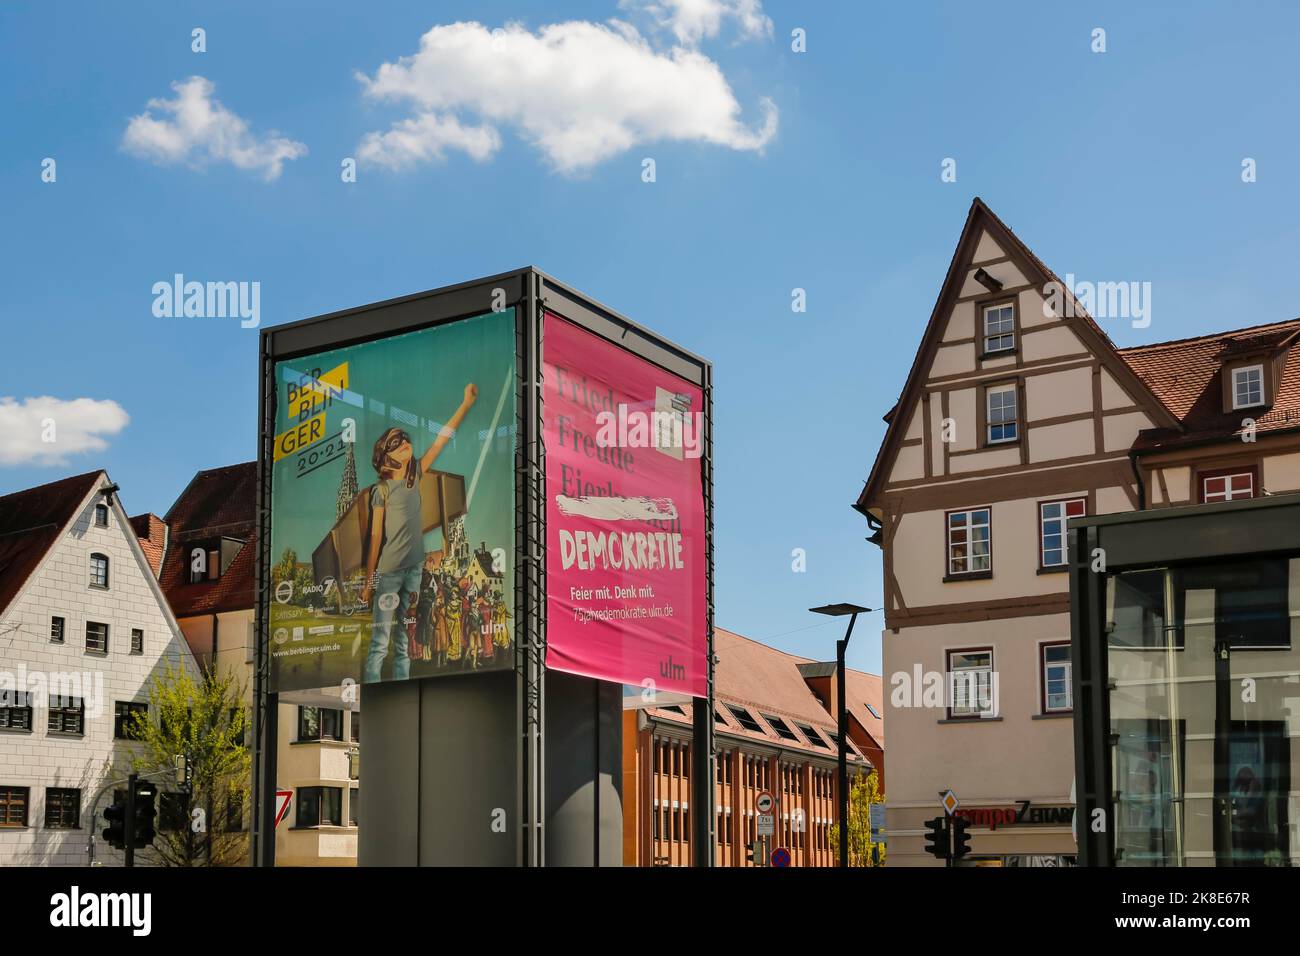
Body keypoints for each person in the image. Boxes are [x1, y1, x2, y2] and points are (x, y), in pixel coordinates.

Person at [361, 383, 478, 683]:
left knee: (403, 642)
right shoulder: (382, 490)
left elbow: (440, 441)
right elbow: (375, 538)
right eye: (395, 442)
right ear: (385, 458)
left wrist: (465, 404)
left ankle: (401, 690)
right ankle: (373, 691)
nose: (403, 442)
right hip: (389, 573)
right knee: (379, 643)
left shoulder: (416, 477)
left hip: (413, 571)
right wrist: (369, 582)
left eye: (404, 438)